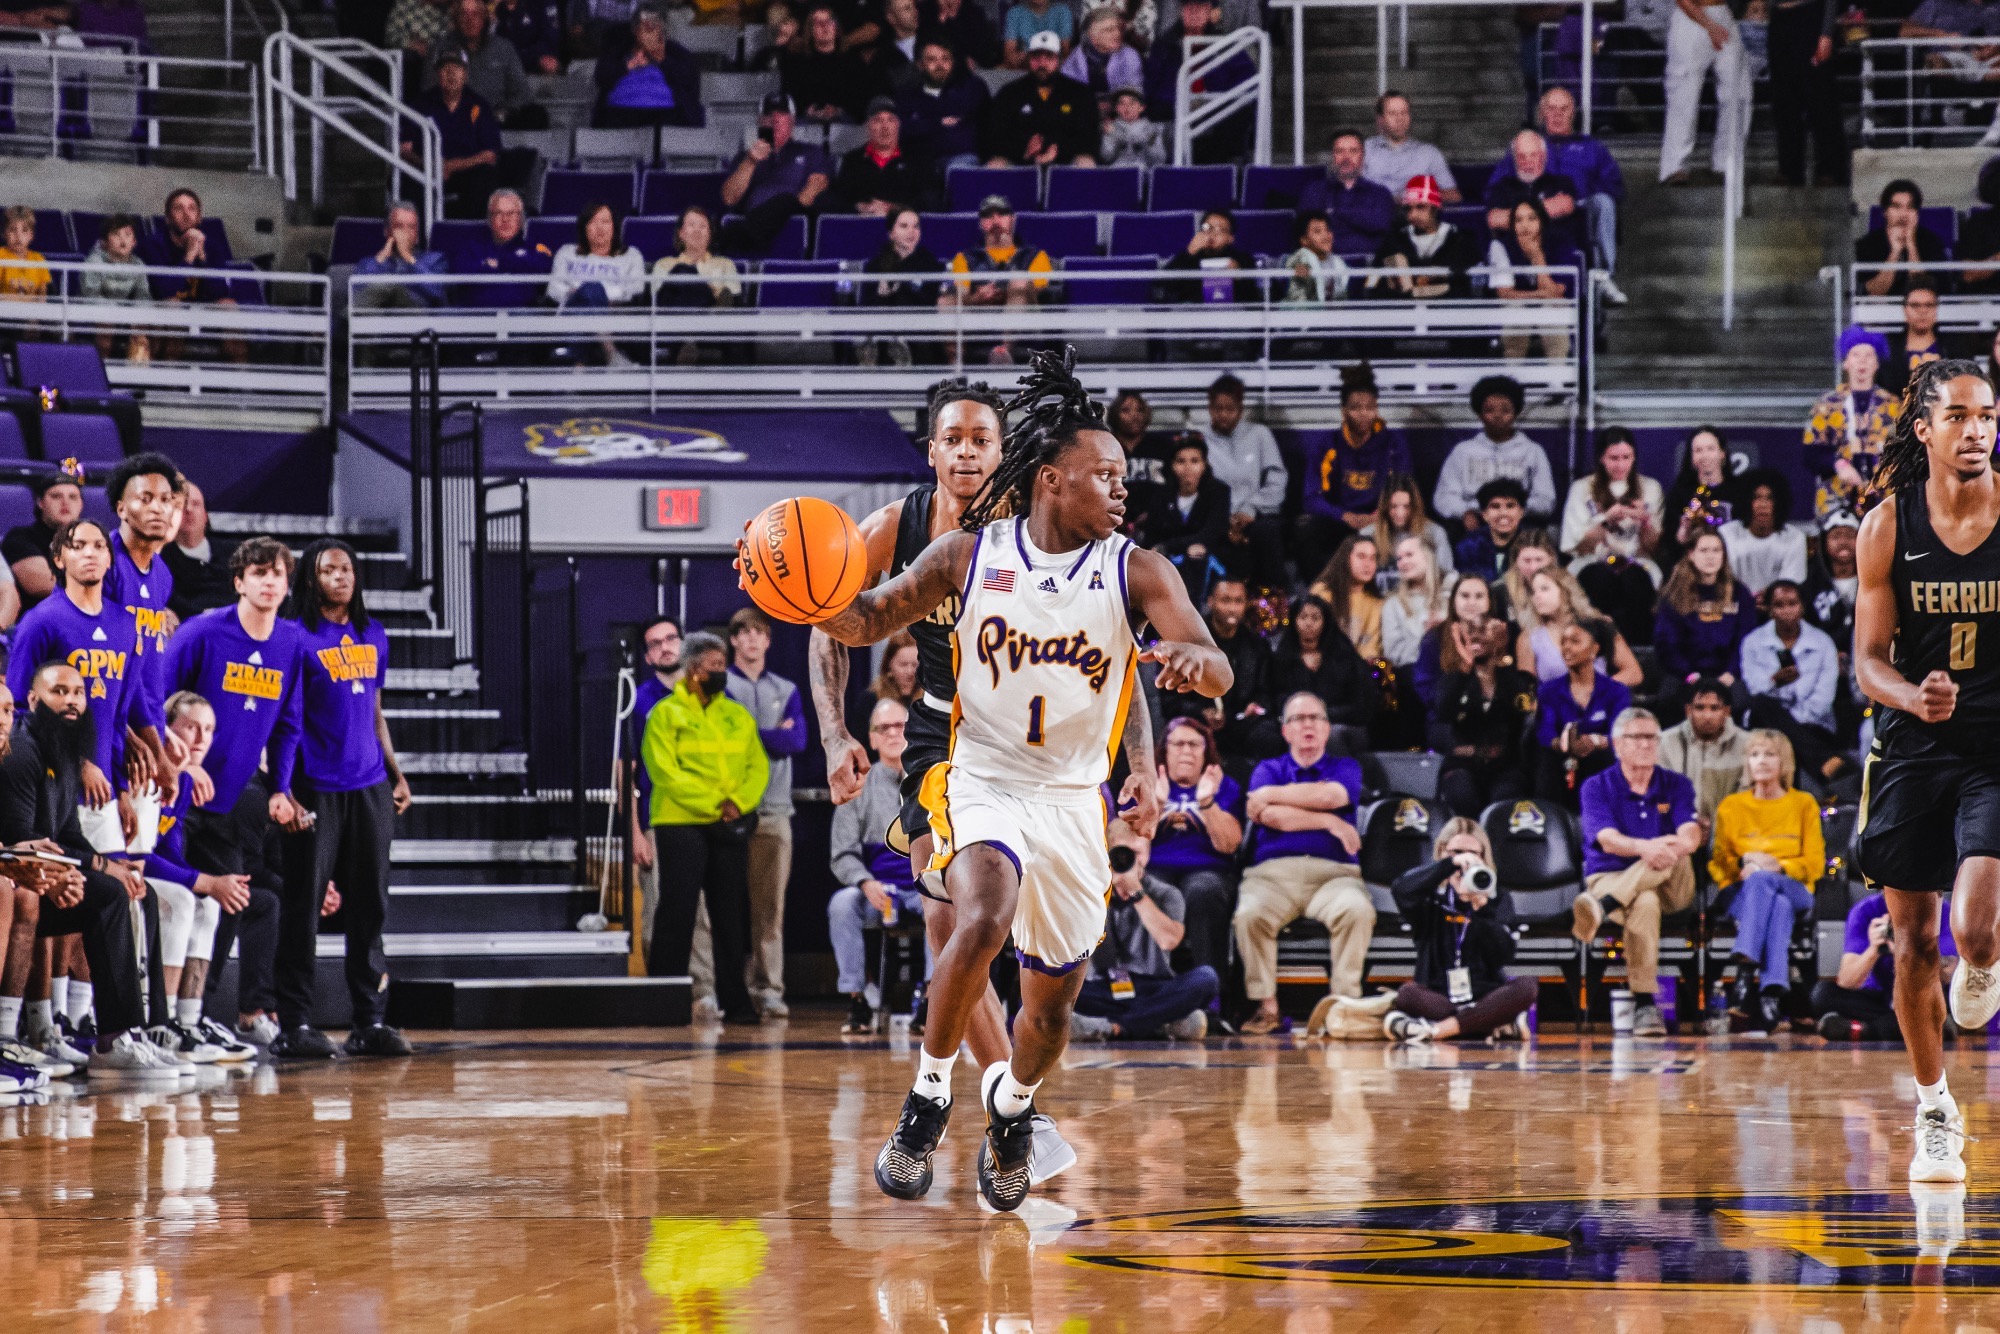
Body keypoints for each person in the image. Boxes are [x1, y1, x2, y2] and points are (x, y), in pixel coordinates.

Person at [810, 347, 1230, 1214]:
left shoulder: (1141, 569)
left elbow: (1211, 667)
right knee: (979, 908)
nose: (1122, 489)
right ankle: (926, 1100)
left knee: (1052, 1011)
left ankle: (1011, 1110)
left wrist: (1199, 663)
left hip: (1074, 797)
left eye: (1123, 476)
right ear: (1051, 479)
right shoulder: (962, 551)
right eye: (1105, 475)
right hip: (977, 769)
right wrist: (802, 594)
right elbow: (864, 620)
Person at [808, 378, 1074, 1188]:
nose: (965, 451)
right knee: (949, 909)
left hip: (1032, 741)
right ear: (932, 451)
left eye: (980, 439)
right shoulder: (896, 524)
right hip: (938, 735)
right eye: (951, 438)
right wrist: (835, 733)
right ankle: (1009, 1109)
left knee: (989, 939)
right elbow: (830, 623)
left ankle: (1005, 1096)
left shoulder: (1045, 527)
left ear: (1004, 452)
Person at [1846, 358, 2000, 1181]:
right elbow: (1867, 662)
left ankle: (1986, 958)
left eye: (1987, 416)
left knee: (1972, 931)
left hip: (1996, 743)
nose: (1975, 431)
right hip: (1913, 738)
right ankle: (1935, 1110)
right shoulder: (1886, 526)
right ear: (1925, 429)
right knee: (1910, 940)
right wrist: (1914, 696)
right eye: (1959, 417)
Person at [158, 550, 310, 1064]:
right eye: (259, 574)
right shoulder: (202, 632)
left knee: (234, 899)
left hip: (230, 799)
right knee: (182, 898)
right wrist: (180, 759)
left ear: (289, 587)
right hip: (178, 788)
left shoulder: (290, 641)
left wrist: (280, 788)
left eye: (279, 575)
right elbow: (159, 698)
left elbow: (289, 723)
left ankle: (196, 1016)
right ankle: (162, 1019)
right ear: (238, 581)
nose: (270, 584)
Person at [0, 663, 176, 1074]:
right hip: (23, 874)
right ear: (34, 700)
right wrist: (89, 869)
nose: (71, 701)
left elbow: (69, 835)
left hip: (37, 870)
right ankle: (103, 1036)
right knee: (103, 893)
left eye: (78, 692)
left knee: (131, 891)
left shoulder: (64, 751)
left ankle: (136, 1032)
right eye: (58, 692)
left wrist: (109, 865)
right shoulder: (21, 753)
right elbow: (21, 839)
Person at [281, 539, 415, 1058]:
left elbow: (376, 711)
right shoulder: (293, 636)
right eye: (328, 569)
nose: (340, 576)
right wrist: (284, 788)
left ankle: (369, 1022)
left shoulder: (372, 633)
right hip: (315, 785)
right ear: (309, 579)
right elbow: (286, 720)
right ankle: (294, 1022)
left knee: (371, 906)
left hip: (369, 785)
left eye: (346, 568)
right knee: (303, 906)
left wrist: (396, 773)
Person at [7, 518, 171, 856]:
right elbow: (19, 711)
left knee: (124, 890)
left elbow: (117, 718)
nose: (90, 554)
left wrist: (121, 790)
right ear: (59, 559)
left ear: (110, 560)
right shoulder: (40, 622)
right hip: (52, 783)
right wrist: (78, 764)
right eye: (78, 546)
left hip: (103, 786)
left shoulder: (126, 625)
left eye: (98, 546)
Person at [642, 629, 767, 1025]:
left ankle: (736, 1001)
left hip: (728, 824)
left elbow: (757, 767)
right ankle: (664, 999)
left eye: (722, 665)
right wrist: (716, 804)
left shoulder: (736, 715)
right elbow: (664, 773)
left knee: (729, 914)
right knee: (677, 911)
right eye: (714, 666)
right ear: (693, 669)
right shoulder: (664, 714)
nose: (721, 671)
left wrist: (738, 804)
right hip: (680, 823)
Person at [1232, 692, 1374, 1036]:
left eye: (1315, 718)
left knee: (1357, 910)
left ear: (1327, 729)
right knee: (1249, 915)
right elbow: (1268, 817)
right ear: (1285, 731)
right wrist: (1329, 822)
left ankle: (1342, 1008)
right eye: (1298, 718)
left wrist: (1271, 795)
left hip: (1334, 876)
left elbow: (1332, 796)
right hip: (1271, 877)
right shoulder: (1269, 768)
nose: (1308, 724)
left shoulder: (1346, 767)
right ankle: (1267, 1009)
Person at [1573, 707, 1702, 1036]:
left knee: (1675, 851)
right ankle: (1645, 1004)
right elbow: (1607, 840)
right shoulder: (1595, 786)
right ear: (1617, 744)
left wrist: (1666, 846)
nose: (1646, 745)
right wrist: (1647, 848)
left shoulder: (1676, 784)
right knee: (1644, 902)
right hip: (1610, 877)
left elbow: (1691, 835)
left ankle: (1603, 907)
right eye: (1637, 737)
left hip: (1674, 883)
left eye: (1651, 738)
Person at [1381, 818, 1540, 1042]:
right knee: (1408, 994)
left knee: (1527, 986)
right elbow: (1401, 889)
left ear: (1484, 859)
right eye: (1457, 852)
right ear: (1442, 852)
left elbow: (1505, 954)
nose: (1465, 865)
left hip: (1484, 994)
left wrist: (1481, 910)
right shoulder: (1429, 897)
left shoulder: (1498, 897)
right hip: (1439, 995)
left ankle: (1438, 1030)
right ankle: (1490, 1025)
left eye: (1473, 855)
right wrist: (1450, 864)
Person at [1709, 728, 1825, 1034]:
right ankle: (1772, 990)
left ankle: (1745, 970)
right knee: (1778, 905)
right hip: (1741, 890)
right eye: (1755, 754)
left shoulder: (1804, 804)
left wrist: (1777, 866)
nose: (1762, 761)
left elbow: (1814, 865)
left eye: (1770, 754)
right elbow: (1719, 864)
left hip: (1795, 886)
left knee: (1768, 885)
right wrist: (1741, 865)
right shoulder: (1731, 807)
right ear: (1747, 762)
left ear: (1784, 762)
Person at [722, 606, 806, 1021]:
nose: (753, 640)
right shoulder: (721, 687)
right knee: (723, 905)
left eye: (760, 633)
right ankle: (721, 989)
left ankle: (769, 988)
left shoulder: (786, 687)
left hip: (775, 810)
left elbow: (798, 742)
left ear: (769, 641)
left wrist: (754, 735)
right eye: (745, 633)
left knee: (769, 908)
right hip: (727, 809)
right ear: (734, 640)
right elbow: (728, 745)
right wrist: (773, 734)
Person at [827, 697, 927, 1034]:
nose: (893, 734)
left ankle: (931, 998)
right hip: (879, 890)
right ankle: (858, 1000)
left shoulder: (933, 781)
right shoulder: (857, 784)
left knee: (947, 907)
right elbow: (843, 852)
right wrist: (865, 882)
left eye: (900, 726)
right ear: (871, 738)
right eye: (884, 728)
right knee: (842, 905)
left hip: (925, 885)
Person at [1070, 818, 1218, 1041]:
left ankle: (1115, 1027)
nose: (1131, 861)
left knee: (1206, 978)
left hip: (1153, 985)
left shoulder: (1167, 894)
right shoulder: (1091, 894)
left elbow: (1169, 941)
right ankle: (1157, 1023)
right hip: (1105, 987)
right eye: (1122, 854)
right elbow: (1083, 944)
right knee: (1054, 989)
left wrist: (1137, 894)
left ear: (1148, 853)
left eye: (1137, 853)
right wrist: (1103, 892)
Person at [1147, 716, 1241, 980]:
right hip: (1155, 867)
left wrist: (1207, 801)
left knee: (1203, 892)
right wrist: (1156, 801)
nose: (1186, 751)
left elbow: (1229, 844)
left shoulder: (1224, 786)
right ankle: (1149, 991)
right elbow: (1129, 843)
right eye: (1177, 744)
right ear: (1164, 751)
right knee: (1145, 891)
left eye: (1194, 745)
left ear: (1206, 751)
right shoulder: (1147, 785)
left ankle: (1210, 993)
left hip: (1209, 869)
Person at [1434, 576, 1536, 817]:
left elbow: (1523, 706)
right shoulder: (1454, 677)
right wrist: (1465, 666)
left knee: (1503, 804)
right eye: (1470, 631)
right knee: (1463, 796)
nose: (1476, 637)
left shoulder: (1510, 677)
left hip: (1504, 766)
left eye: (1483, 630)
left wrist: (1500, 658)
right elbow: (1443, 711)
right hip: (1461, 765)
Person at [1296, 364, 1410, 579]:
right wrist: (1345, 516)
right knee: (1305, 526)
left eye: (1369, 407)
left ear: (1376, 409)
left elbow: (1405, 487)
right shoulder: (1328, 444)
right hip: (1341, 520)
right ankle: (1317, 591)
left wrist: (1380, 514)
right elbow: (1310, 498)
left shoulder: (1393, 442)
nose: (1363, 414)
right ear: (1343, 410)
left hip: (1381, 518)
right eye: (1355, 408)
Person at [1519, 85, 1629, 302]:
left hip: (1580, 206)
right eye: (1551, 109)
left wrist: (1575, 198)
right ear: (1542, 114)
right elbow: (1506, 183)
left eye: (1564, 109)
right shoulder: (1528, 145)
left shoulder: (1592, 147)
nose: (1557, 115)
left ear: (1573, 113)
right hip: (1539, 209)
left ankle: (1602, 276)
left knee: (1604, 202)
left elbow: (1615, 187)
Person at [1813, 890, 1958, 1043]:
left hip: (1922, 994)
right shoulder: (1865, 911)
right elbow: (1847, 981)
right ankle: (1921, 1028)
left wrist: (1908, 952)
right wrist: (1874, 949)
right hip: (1877, 998)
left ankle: (1863, 1031)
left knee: (1951, 1000)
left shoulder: (1942, 911)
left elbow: (1947, 975)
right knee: (1822, 994)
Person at [1742, 579, 1847, 782]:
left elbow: (1823, 700)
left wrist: (1789, 726)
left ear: (1802, 607)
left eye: (1792, 604)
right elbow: (1753, 688)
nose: (1787, 611)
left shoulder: (1823, 642)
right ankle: (1823, 761)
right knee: (1761, 705)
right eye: (1779, 605)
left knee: (1784, 736)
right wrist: (1774, 681)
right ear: (1770, 609)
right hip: (1765, 724)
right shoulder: (1753, 642)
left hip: (1813, 723)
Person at [626, 615, 684, 978]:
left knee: (702, 916)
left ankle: (704, 995)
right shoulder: (639, 701)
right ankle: (661, 988)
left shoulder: (704, 692)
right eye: (655, 643)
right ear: (647, 656)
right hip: (656, 820)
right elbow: (625, 770)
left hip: (701, 819)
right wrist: (633, 830)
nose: (665, 647)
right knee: (658, 911)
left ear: (682, 642)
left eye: (670, 639)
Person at [1561, 427, 1663, 616]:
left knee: (1635, 579)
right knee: (1600, 578)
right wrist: (1606, 521)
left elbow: (1654, 549)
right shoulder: (1582, 488)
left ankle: (1635, 642)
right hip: (1592, 562)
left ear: (1634, 458)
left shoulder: (1651, 488)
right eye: (1613, 458)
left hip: (1637, 562)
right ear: (1601, 458)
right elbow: (1578, 548)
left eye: (1626, 457)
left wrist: (1645, 521)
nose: (1620, 465)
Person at [1433, 376, 1558, 530]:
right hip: (1475, 523)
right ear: (1480, 414)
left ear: (1516, 413)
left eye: (1505, 410)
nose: (1498, 416)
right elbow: (1444, 497)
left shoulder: (1532, 451)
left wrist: (1515, 511)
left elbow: (1546, 500)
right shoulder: (1463, 451)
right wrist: (1464, 512)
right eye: (1490, 410)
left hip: (1519, 523)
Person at [940, 196, 1052, 366]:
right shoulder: (964, 258)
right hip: (979, 319)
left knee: (1020, 281)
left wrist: (1002, 293)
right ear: (980, 223)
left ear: (1012, 219)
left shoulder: (1035, 256)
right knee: (945, 301)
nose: (995, 220)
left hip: (1025, 321)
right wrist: (976, 298)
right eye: (988, 216)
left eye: (1002, 214)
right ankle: (954, 363)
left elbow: (1036, 294)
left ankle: (1003, 352)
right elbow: (961, 295)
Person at [1200, 373, 1287, 587]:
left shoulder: (1259, 434)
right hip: (1216, 518)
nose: (1223, 415)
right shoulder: (1200, 439)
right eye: (1217, 409)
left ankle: (1274, 600)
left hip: (1256, 515)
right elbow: (1198, 487)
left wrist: (1251, 509)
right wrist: (1224, 519)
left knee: (1266, 532)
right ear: (1209, 408)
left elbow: (1277, 480)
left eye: (1230, 409)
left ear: (1240, 409)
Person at [719, 94, 833, 257]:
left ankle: (738, 235)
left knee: (787, 200)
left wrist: (784, 208)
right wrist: (750, 162)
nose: (775, 119)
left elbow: (814, 190)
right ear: (760, 121)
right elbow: (729, 198)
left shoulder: (810, 152)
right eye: (769, 115)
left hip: (793, 226)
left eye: (782, 114)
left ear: (792, 121)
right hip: (752, 225)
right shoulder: (745, 157)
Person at [1142, 0, 1254, 163]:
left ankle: (1221, 169)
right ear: (1181, 11)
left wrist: (1215, 100)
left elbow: (1246, 80)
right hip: (1173, 111)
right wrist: (1180, 103)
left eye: (1200, 6)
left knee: (1239, 113)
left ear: (1210, 11)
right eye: (1189, 7)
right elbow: (1152, 87)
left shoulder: (1226, 44)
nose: (1194, 12)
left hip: (1214, 113)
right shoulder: (1164, 47)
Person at [1806, 327, 1900, 519]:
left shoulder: (1893, 406)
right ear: (1845, 362)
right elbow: (1811, 454)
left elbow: (1905, 452)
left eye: (1869, 355)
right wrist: (1838, 465)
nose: (1862, 361)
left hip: (1884, 499)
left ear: (1877, 363)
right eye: (1856, 355)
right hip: (1837, 498)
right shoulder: (1826, 405)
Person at [1536, 620, 1634, 801]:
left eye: (1575, 641)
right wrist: (1564, 744)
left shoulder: (1616, 691)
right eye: (1563, 641)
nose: (1566, 647)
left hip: (1602, 762)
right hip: (1560, 765)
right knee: (1547, 758)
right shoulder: (1548, 691)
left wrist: (1595, 741)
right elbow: (1546, 731)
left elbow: (1619, 734)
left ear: (1594, 649)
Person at [1268, 594, 1376, 754]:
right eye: (1303, 617)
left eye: (1315, 618)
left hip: (1342, 724)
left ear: (1325, 622)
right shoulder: (1282, 658)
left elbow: (1362, 705)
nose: (1309, 623)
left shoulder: (1344, 656)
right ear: (1294, 621)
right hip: (1297, 722)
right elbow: (1277, 697)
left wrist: (1321, 715)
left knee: (1330, 735)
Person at [1653, 528, 1757, 691]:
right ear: (1691, 554)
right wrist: (1689, 674)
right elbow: (1666, 643)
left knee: (1742, 699)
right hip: (1686, 675)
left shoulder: (1739, 593)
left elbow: (1746, 639)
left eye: (1716, 550)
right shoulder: (1674, 593)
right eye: (1704, 551)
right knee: (1668, 698)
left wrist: (1731, 673)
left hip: (1728, 675)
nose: (1710, 556)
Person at [1660, 0, 1750, 186]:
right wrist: (1709, 25)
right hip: (1690, 16)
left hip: (1723, 12)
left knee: (1739, 91)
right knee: (1684, 95)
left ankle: (1727, 162)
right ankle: (1675, 167)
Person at [404, 51, 503, 219]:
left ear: (465, 74)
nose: (451, 73)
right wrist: (430, 166)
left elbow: (490, 154)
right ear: (437, 74)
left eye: (457, 67)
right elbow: (404, 149)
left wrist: (453, 165)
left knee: (485, 178)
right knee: (406, 181)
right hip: (426, 171)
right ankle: (420, 241)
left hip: (467, 171)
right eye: (445, 68)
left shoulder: (479, 105)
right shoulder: (420, 104)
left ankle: (471, 235)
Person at [547, 201, 646, 367]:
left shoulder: (631, 255)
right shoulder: (567, 252)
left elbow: (635, 289)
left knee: (592, 290)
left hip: (614, 313)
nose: (599, 228)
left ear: (615, 226)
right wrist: (582, 294)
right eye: (593, 222)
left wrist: (595, 295)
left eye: (605, 222)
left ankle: (578, 370)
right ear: (584, 227)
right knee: (591, 289)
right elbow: (553, 289)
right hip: (570, 312)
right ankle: (611, 353)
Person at [1133, 435, 1229, 604]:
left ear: (1205, 465)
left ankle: (1194, 612)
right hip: (1169, 559)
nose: (1187, 468)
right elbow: (1153, 535)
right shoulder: (1161, 495)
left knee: (1196, 553)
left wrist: (1170, 546)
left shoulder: (1218, 492)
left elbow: (1212, 532)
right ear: (1172, 465)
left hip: (1209, 557)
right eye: (1181, 461)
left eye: (1194, 461)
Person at [983, 31, 1099, 165]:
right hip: (1020, 159)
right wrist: (1024, 148)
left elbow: (1089, 137)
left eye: (1049, 57)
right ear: (1028, 59)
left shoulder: (1080, 93)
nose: (1042, 64)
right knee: (996, 164)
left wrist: (1057, 149)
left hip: (1065, 159)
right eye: (1036, 57)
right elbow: (995, 136)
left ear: (1060, 60)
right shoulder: (1009, 92)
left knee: (1085, 162)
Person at [1486, 196, 1579, 361]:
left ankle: (1557, 376)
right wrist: (1539, 295)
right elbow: (1505, 293)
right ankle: (1512, 371)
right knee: (1516, 308)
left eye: (1531, 218)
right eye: (1518, 220)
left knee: (1551, 306)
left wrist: (1538, 257)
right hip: (1517, 307)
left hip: (1555, 306)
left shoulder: (1561, 244)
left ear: (1542, 221)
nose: (1525, 226)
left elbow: (1556, 294)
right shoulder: (1500, 246)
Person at [1765, 0, 1846, 187]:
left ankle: (1829, 169)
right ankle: (1789, 169)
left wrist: (1826, 33)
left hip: (1810, 16)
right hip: (1780, 17)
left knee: (1821, 97)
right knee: (1784, 100)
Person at [1659, 676, 1751, 827]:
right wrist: (1685, 822)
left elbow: (1750, 797)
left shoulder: (1748, 744)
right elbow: (1657, 797)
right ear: (1688, 710)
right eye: (1700, 708)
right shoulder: (1664, 743)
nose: (1707, 716)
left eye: (1715, 708)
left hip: (1731, 830)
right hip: (1676, 829)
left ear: (1727, 711)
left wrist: (1715, 826)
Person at [1369, 174, 1480, 300]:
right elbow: (1372, 284)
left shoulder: (1460, 240)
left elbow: (1463, 286)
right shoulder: (1393, 241)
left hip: (1448, 314)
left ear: (1436, 207)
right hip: (1403, 316)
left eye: (1420, 207)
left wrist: (1411, 285)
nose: (1412, 215)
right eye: (1408, 209)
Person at [432, 0, 539, 126]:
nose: (470, 20)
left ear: (485, 17)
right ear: (455, 19)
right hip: (452, 122)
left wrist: (502, 112)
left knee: (536, 114)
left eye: (476, 14)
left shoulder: (504, 48)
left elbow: (522, 93)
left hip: (494, 121)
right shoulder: (440, 48)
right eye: (463, 14)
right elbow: (428, 89)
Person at [594, 5, 703, 128]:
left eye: (654, 25)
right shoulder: (618, 52)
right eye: (645, 26)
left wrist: (663, 60)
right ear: (635, 30)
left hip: (666, 114)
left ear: (663, 30)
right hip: (621, 111)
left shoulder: (677, 53)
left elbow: (689, 83)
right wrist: (628, 65)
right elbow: (601, 78)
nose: (650, 29)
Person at [1657, 424, 1747, 572]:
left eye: (1710, 449)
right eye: (1698, 450)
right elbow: (1672, 545)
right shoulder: (1680, 493)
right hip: (1691, 567)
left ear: (1722, 453)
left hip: (1733, 565)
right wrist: (1684, 531)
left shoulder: (1740, 491)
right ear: (1691, 458)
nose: (1704, 455)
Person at [1296, 130, 1395, 259]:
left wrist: (1336, 212)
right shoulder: (1314, 191)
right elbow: (1305, 234)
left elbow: (1380, 225)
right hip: (1323, 266)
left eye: (1353, 151)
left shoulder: (1380, 193)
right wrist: (1361, 219)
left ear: (1363, 156)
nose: (1346, 158)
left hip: (1370, 267)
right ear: (1333, 156)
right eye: (1340, 151)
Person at [453, 187, 555, 310]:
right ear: (490, 219)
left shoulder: (535, 248)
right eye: (498, 213)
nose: (505, 219)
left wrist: (497, 264)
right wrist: (514, 266)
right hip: (475, 317)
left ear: (521, 219)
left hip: (521, 319)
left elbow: (543, 266)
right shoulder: (472, 249)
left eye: (511, 213)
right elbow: (460, 271)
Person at [896, 37, 990, 170]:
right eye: (932, 59)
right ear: (920, 64)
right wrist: (937, 123)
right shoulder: (907, 96)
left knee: (961, 166)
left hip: (960, 159)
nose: (940, 65)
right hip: (920, 164)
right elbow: (900, 129)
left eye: (945, 59)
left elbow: (988, 124)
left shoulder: (971, 88)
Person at [833, 98, 936, 214]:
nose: (885, 127)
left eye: (890, 120)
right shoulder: (852, 160)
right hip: (863, 225)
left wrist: (892, 209)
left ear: (898, 125)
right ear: (868, 126)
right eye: (877, 120)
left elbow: (930, 201)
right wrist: (859, 207)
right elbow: (839, 199)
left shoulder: (917, 158)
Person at [1484, 130, 1580, 252]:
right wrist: (1544, 210)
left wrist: (1515, 217)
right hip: (1514, 254)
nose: (1527, 161)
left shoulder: (1561, 182)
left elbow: (1565, 205)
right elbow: (1494, 219)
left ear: (1543, 156)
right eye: (1521, 156)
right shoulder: (1502, 186)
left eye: (1533, 155)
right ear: (1514, 159)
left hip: (1555, 252)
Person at [1720, 470, 1808, 596]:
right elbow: (1722, 580)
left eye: (1770, 498)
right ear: (1746, 501)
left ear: (1779, 503)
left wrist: (1767, 597)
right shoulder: (1727, 533)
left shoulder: (1794, 537)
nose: (1763, 505)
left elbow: (1791, 585)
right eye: (1756, 498)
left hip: (1778, 607)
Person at [4, 470, 80, 612]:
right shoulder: (21, 537)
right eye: (56, 496)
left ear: (81, 504)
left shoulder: (93, 539)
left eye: (73, 497)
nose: (65, 502)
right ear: (41, 502)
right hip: (41, 621)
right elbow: (42, 585)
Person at [1361, 90, 1458, 203]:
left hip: (1415, 216)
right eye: (1392, 113)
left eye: (1404, 113)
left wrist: (1414, 197)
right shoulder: (1364, 150)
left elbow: (1453, 196)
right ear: (1381, 120)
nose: (1400, 119)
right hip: (1374, 216)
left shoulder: (1429, 153)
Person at [80, 212, 152, 364]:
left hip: (124, 311)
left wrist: (136, 311)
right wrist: (115, 311)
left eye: (127, 235)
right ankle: (101, 367)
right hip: (96, 309)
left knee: (142, 325)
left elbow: (143, 294)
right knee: (106, 321)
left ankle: (136, 371)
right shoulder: (94, 261)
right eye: (116, 235)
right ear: (105, 241)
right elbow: (91, 294)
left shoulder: (138, 264)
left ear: (134, 241)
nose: (122, 240)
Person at [1857, 180, 1948, 299]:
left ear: (1917, 213)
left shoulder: (1932, 241)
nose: (1903, 214)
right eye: (1896, 206)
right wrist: (1895, 252)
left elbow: (1924, 293)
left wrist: (1911, 245)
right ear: (1885, 212)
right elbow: (1873, 292)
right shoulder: (1868, 243)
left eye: (1910, 207)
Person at [783, 3, 871, 123]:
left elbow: (861, 99)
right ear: (810, 30)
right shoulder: (798, 62)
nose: (825, 26)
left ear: (836, 27)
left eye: (829, 21)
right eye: (818, 23)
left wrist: (838, 110)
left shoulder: (853, 60)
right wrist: (808, 110)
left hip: (844, 121)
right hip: (807, 120)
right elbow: (791, 99)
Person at [353, 202, 448, 310]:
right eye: (399, 226)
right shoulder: (369, 263)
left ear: (417, 235)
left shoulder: (436, 259)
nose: (405, 232)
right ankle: (347, 323)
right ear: (387, 232)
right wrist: (381, 258)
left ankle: (344, 323)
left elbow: (438, 293)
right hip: (379, 319)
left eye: (411, 227)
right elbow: (356, 291)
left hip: (417, 316)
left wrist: (408, 257)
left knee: (390, 286)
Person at [162, 481, 235, 620]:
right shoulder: (161, 559)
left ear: (206, 515)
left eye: (196, 504)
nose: (188, 509)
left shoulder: (235, 553)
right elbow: (171, 599)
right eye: (182, 505)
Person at [1308, 534, 1385, 660]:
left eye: (1372, 558)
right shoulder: (1322, 593)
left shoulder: (1377, 603)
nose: (1368, 564)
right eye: (1361, 557)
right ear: (1345, 559)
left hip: (1360, 670)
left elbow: (1370, 649)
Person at [1161, 209, 1259, 308]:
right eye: (1208, 228)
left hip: (1232, 317)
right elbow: (1162, 287)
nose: (1213, 234)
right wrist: (1188, 252)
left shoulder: (1243, 260)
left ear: (1230, 238)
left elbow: (1255, 300)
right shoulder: (1188, 258)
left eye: (1220, 230)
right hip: (1194, 317)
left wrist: (1240, 275)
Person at [1382, 534, 1452, 668]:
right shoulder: (1393, 604)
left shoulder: (1455, 593)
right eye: (1399, 558)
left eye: (1409, 555)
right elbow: (1393, 655)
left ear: (1428, 556)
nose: (1403, 562)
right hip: (1415, 674)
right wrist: (1426, 638)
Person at [1372, 473, 1454, 583]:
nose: (1400, 513)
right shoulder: (1368, 535)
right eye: (1393, 506)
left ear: (1415, 506)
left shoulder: (1435, 533)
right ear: (1385, 507)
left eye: (1406, 506)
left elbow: (1446, 574)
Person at [1881, 281, 1956, 398]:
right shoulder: (1888, 348)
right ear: (1905, 309)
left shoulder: (1954, 347)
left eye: (1929, 305)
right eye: (1915, 305)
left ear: (1936, 309)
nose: (1922, 311)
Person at [1802, 508, 1859, 655]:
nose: (1843, 542)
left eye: (1850, 535)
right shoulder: (1810, 583)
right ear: (1824, 542)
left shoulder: (1876, 578)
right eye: (1836, 536)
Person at [1452, 478, 1530, 583]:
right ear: (1484, 514)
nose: (1503, 513)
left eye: (1510, 506)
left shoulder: (1534, 544)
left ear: (1521, 512)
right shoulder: (1467, 547)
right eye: (1495, 506)